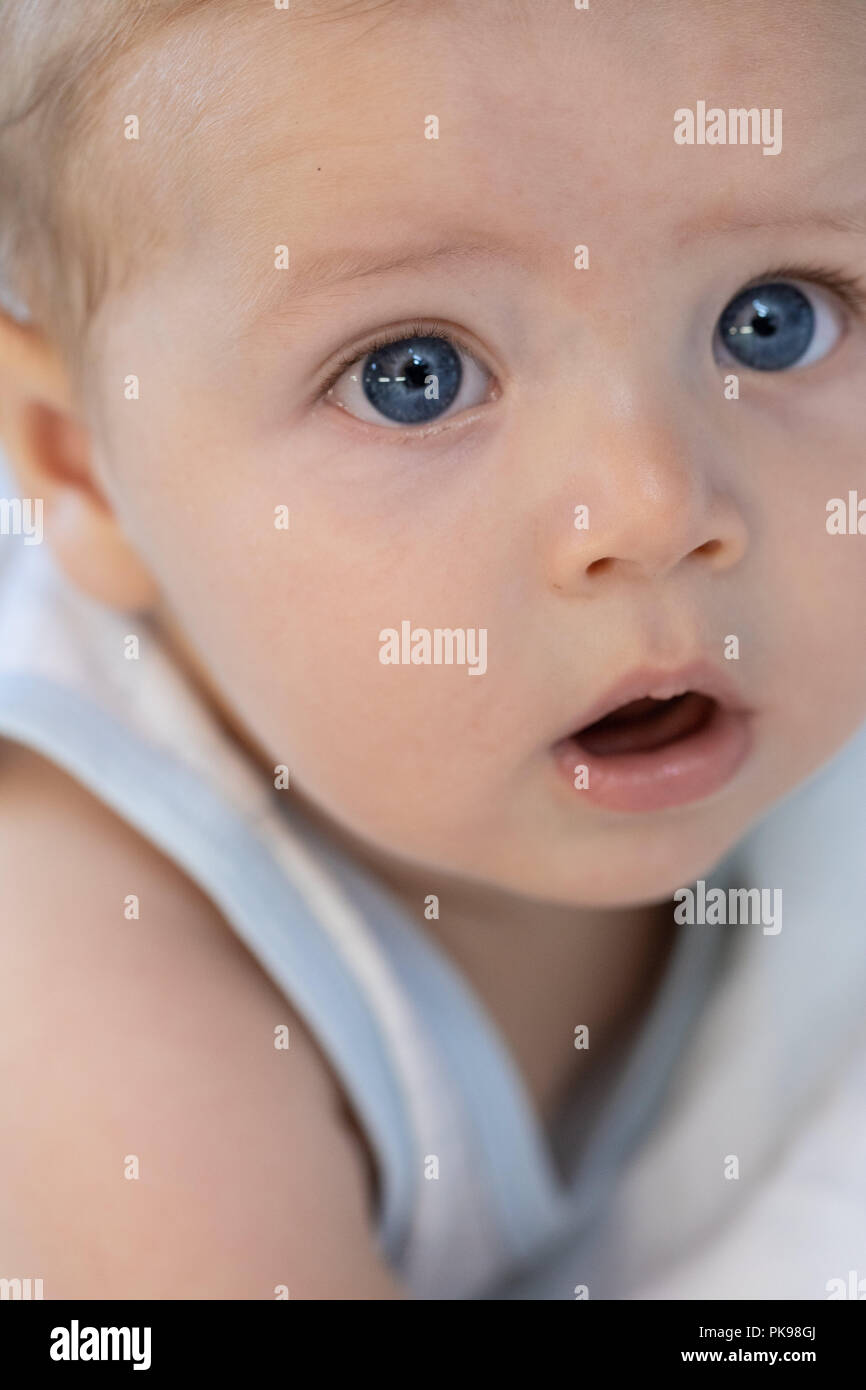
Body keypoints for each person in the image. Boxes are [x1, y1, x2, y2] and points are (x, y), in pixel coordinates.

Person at [0, 0, 864, 1300]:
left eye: (772, 318)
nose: (652, 507)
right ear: (84, 467)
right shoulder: (96, 1006)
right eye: (415, 375)